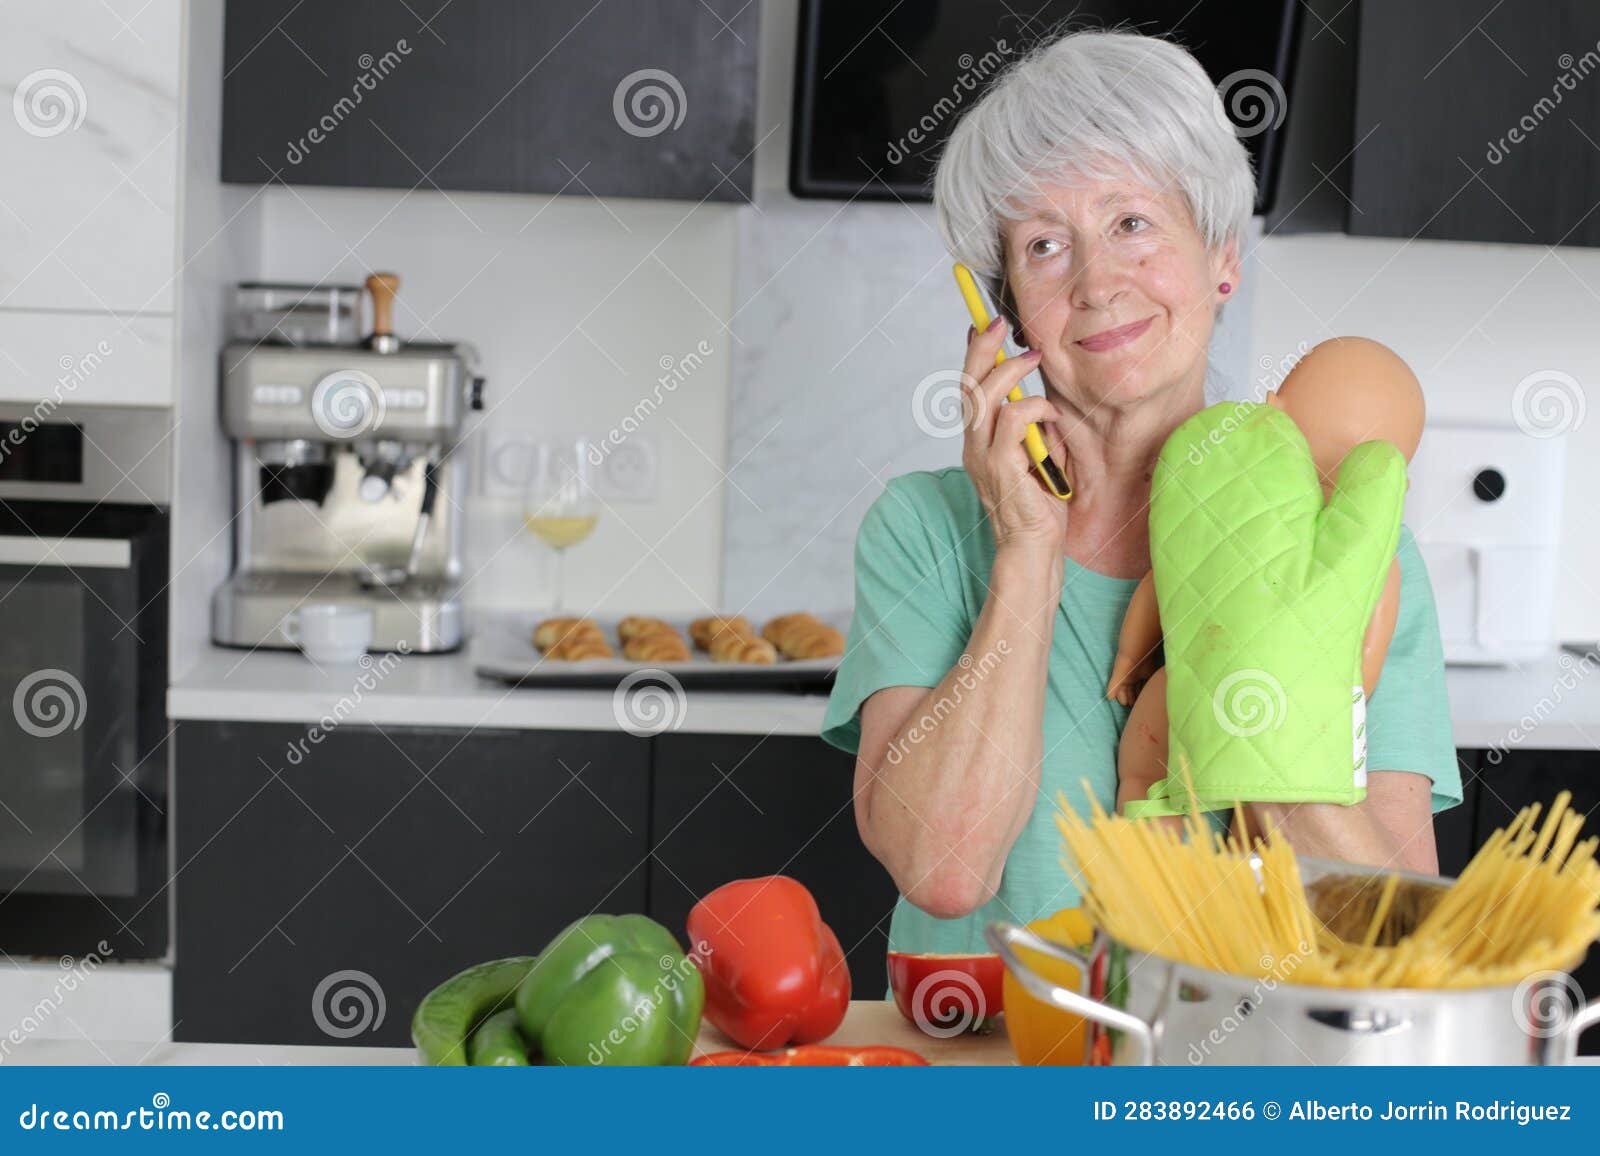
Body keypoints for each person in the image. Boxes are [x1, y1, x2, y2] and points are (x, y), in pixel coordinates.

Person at [820, 30, 1458, 957]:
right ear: (1004, 316)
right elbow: (946, 873)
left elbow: (1388, 942)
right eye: (1045, 246)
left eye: (1132, 224)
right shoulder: (926, 530)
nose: (1096, 284)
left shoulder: (1355, 547)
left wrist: (1268, 694)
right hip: (995, 1068)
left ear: (1221, 259)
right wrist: (1026, 554)